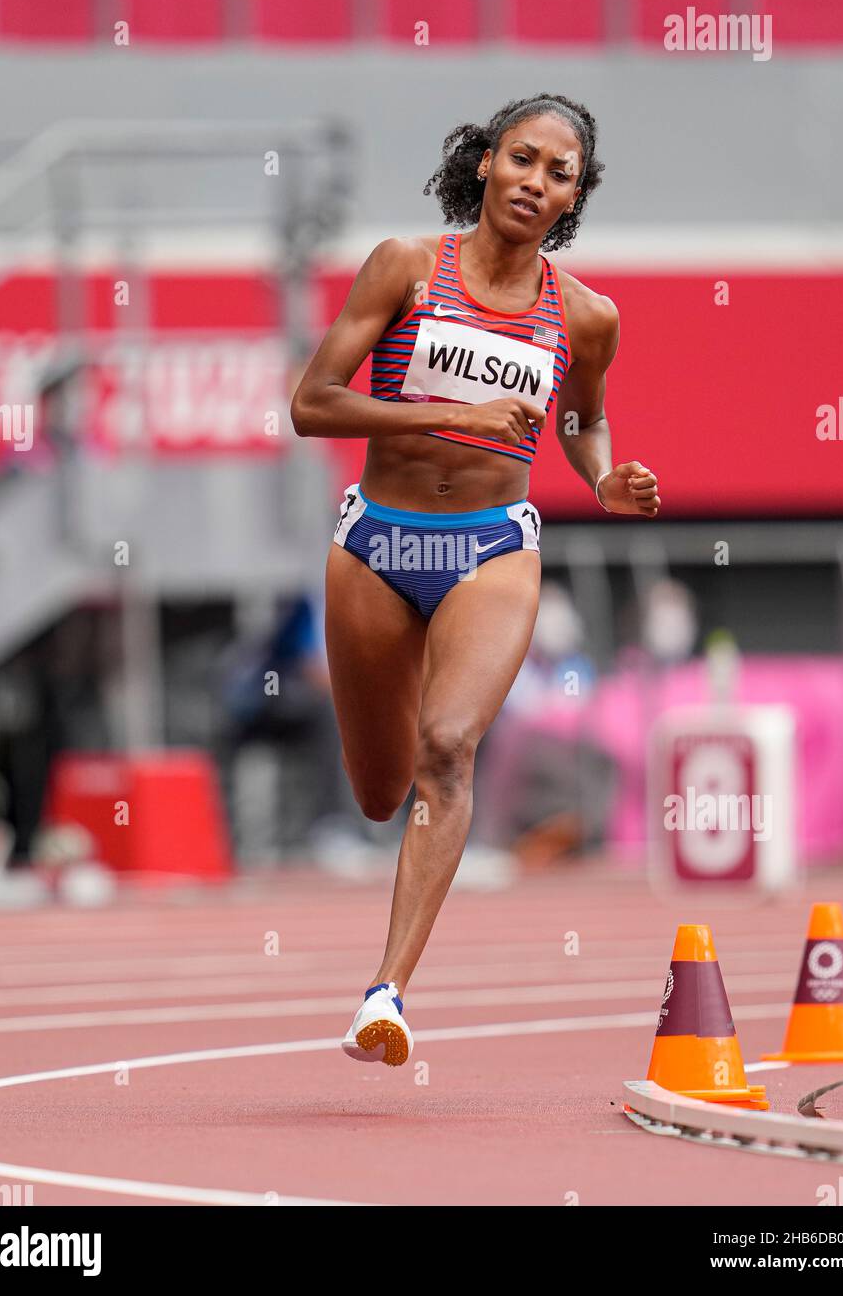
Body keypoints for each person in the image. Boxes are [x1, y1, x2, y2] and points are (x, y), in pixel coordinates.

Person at [290, 93, 660, 1066]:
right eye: (524, 158)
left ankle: (387, 994)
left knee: (447, 749)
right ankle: (399, 735)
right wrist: (445, 418)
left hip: (491, 544)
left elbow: (582, 422)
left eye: (560, 172)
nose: (537, 181)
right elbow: (311, 404)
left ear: (574, 197)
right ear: (487, 162)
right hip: (378, 542)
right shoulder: (407, 267)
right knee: (380, 792)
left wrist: (603, 475)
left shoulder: (586, 316)